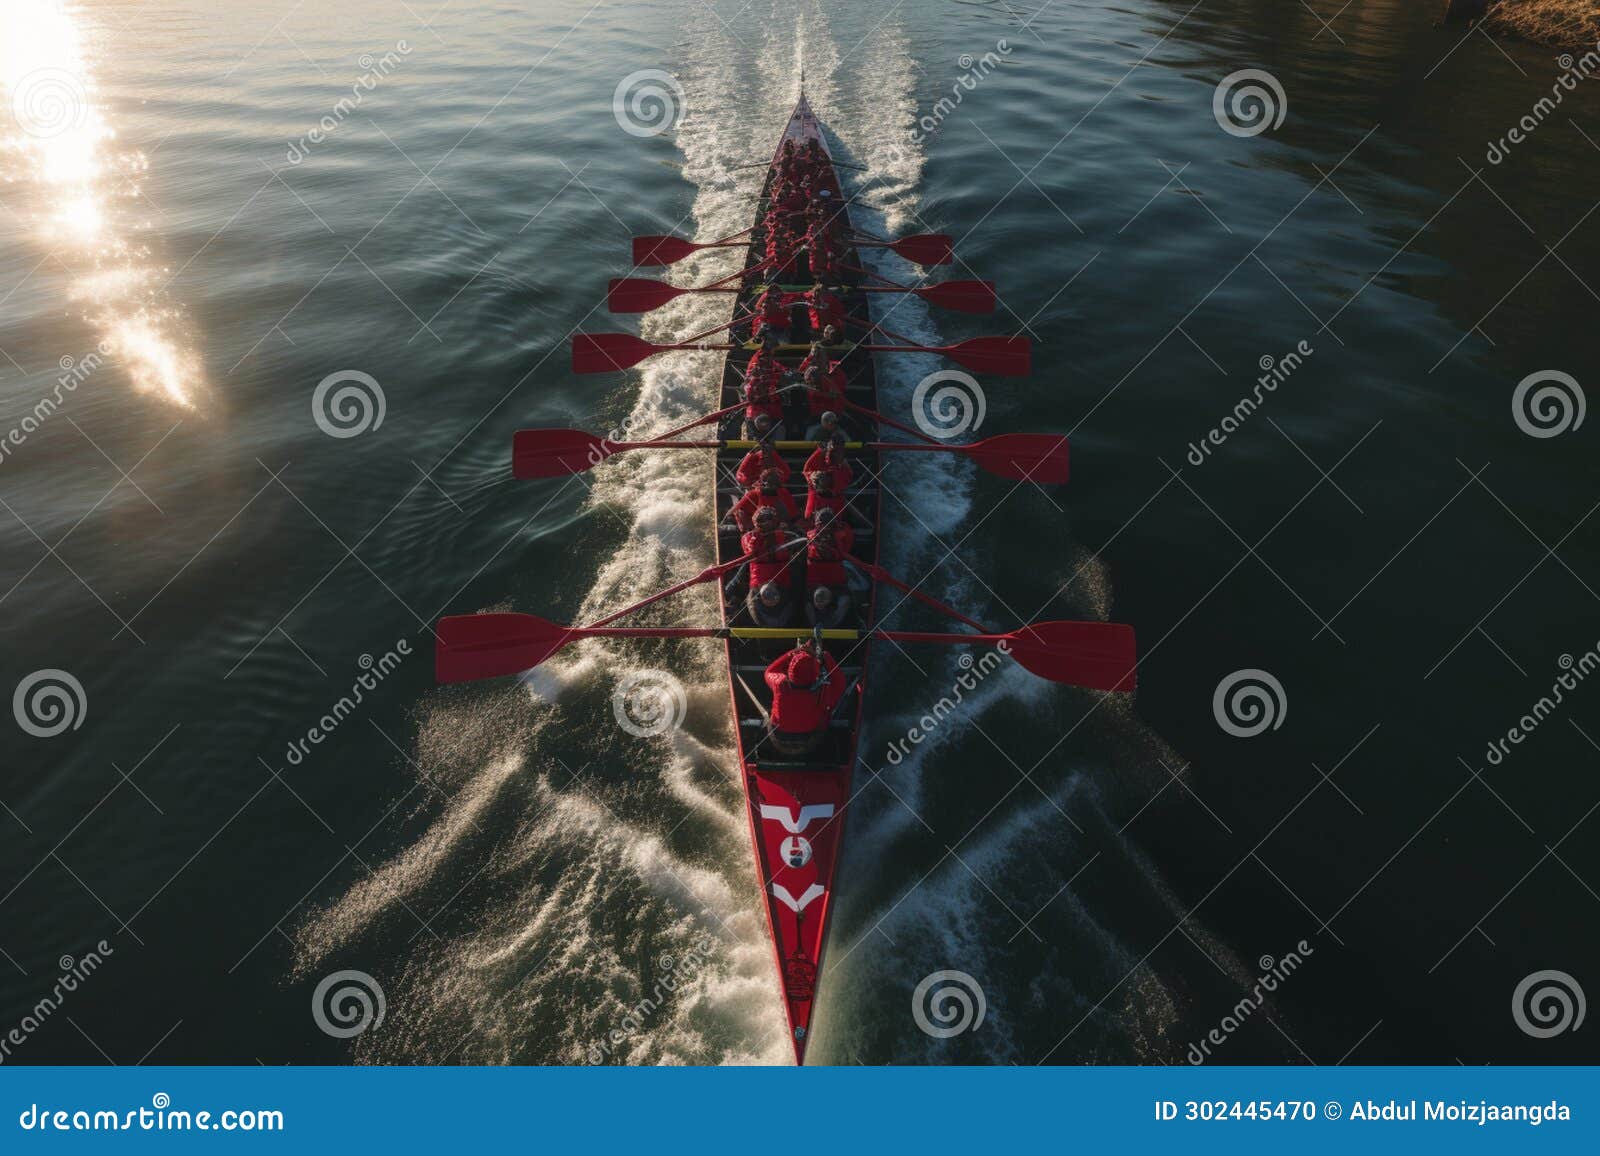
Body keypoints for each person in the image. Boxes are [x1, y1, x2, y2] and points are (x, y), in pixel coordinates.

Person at [762, 637, 844, 756]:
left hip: (778, 740)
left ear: (790, 671)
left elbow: (769, 671)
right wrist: (825, 657)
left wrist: (794, 652)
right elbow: (840, 683)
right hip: (809, 742)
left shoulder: (780, 683)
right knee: (826, 713)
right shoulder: (823, 690)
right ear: (815, 673)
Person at [804, 510, 855, 626]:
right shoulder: (811, 536)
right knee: (808, 601)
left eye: (828, 523)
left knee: (846, 600)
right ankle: (812, 625)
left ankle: (839, 623)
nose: (825, 527)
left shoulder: (841, 535)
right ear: (816, 524)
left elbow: (846, 547)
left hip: (837, 584)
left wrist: (830, 544)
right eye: (821, 524)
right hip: (815, 585)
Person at [731, 468, 798, 532]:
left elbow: (794, 515)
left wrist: (789, 524)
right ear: (763, 482)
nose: (773, 486)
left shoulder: (783, 493)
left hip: (779, 528)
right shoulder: (753, 494)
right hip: (756, 529)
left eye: (776, 483)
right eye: (770, 482)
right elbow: (736, 511)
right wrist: (749, 528)